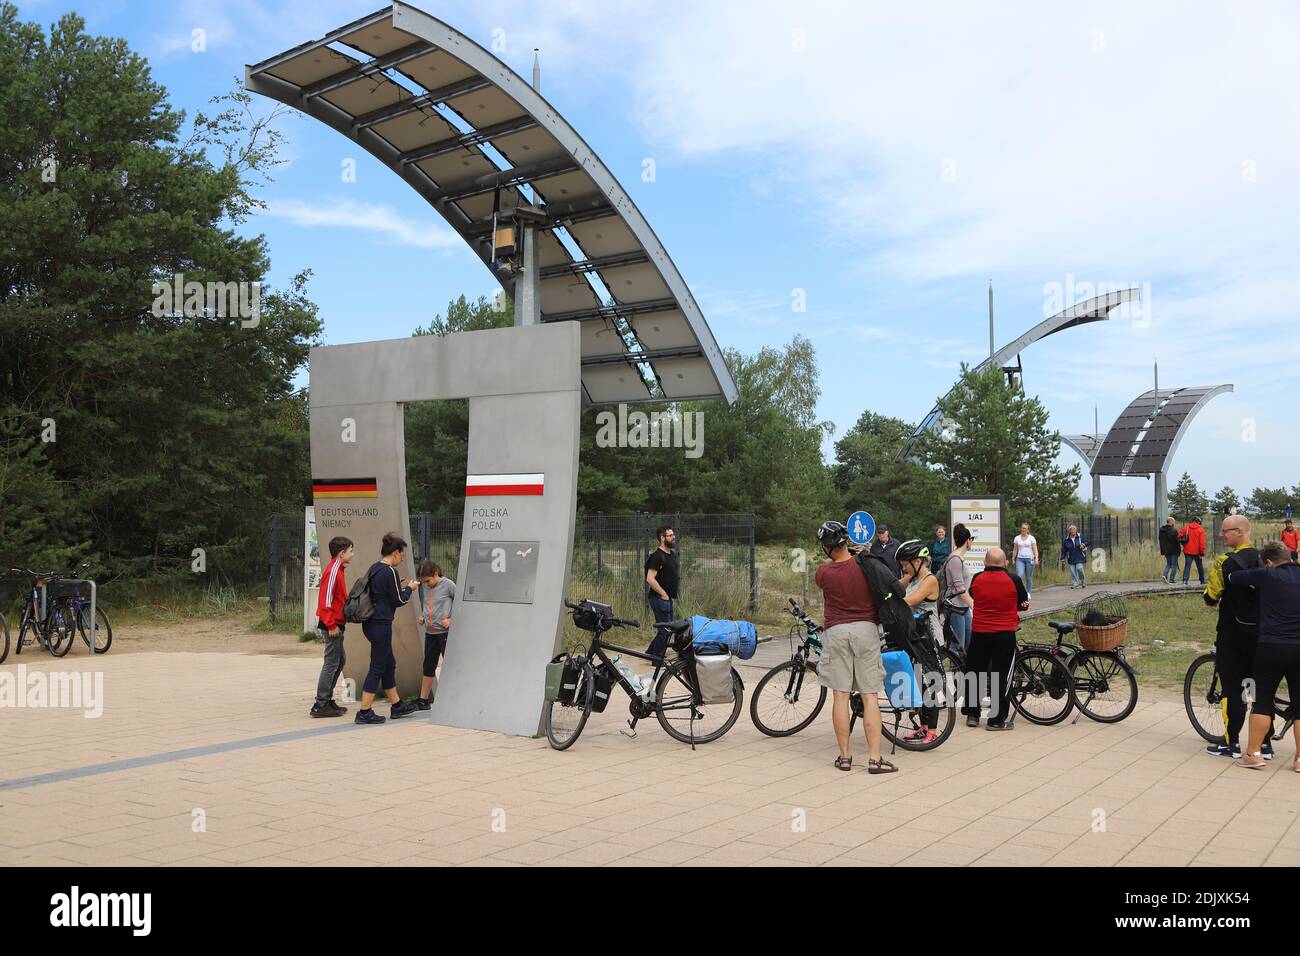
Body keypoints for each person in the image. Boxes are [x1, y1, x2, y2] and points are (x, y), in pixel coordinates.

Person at [814, 521, 896, 774]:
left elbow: (831, 578)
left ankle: (844, 757)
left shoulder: (823, 573)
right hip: (866, 631)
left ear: (827, 548)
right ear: (846, 542)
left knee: (840, 695)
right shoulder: (866, 565)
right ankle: (874, 759)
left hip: (836, 632)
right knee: (870, 695)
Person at [1201, 514, 1266, 757]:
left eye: (1225, 531)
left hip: (1232, 634)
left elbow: (1211, 598)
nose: (1221, 535)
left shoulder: (1224, 562)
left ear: (1240, 532)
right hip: (1260, 634)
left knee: (1231, 686)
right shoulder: (1265, 559)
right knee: (1254, 685)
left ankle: (1232, 743)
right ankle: (1264, 744)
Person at [1232, 543, 1300, 770]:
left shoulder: (1267, 575)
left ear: (1269, 562)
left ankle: (1253, 754)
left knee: (1262, 701)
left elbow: (1234, 577)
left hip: (1271, 646)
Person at [356, 532, 419, 725]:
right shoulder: (390, 571)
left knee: (388, 663)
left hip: (370, 623)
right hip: (381, 624)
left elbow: (381, 593)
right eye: (402, 554)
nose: (403, 558)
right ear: (396, 552)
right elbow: (398, 600)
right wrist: (410, 589)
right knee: (377, 667)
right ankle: (364, 711)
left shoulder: (375, 568)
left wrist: (398, 587)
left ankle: (397, 705)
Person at [963, 548, 1029, 731]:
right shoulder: (1014, 579)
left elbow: (974, 596)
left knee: (975, 672)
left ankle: (972, 715)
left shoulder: (977, 578)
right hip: (1004, 634)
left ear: (985, 562)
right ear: (1005, 562)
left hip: (979, 632)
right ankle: (996, 720)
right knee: (1000, 676)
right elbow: (1024, 604)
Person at [897, 539, 941, 746]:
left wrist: (890, 601)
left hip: (929, 636)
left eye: (905, 564)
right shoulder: (911, 576)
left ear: (917, 561)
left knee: (930, 682)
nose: (903, 568)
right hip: (915, 636)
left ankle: (932, 730)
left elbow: (910, 601)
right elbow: (895, 588)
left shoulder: (930, 580)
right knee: (918, 682)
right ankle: (922, 728)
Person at [310, 536, 353, 718]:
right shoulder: (333, 570)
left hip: (336, 622)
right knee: (331, 663)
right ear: (341, 553)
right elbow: (325, 601)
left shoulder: (338, 569)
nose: (352, 554)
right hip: (332, 624)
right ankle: (321, 704)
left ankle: (326, 700)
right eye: (350, 551)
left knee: (340, 660)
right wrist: (331, 625)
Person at [415, 560, 456, 710]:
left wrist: (451, 619)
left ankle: (453, 698)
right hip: (430, 632)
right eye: (423, 582)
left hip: (445, 632)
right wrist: (423, 616)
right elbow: (428, 604)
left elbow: (460, 603)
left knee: (450, 665)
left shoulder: (448, 585)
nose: (426, 584)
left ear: (436, 573)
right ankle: (423, 700)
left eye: (428, 581)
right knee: (428, 666)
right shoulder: (426, 587)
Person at [644, 526, 679, 657]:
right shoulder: (657, 557)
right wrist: (663, 594)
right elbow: (650, 579)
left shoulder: (671, 554)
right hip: (659, 599)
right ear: (662, 538)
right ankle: (656, 658)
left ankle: (650, 653)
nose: (673, 537)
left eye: (673, 534)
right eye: (670, 535)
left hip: (667, 599)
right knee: (665, 630)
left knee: (666, 629)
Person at [942, 524, 975, 653]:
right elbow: (960, 588)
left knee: (968, 643)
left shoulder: (959, 558)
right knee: (957, 645)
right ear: (967, 540)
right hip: (955, 608)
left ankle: (966, 665)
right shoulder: (955, 559)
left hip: (963, 607)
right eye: (972, 539)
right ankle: (955, 665)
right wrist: (973, 606)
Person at [1179, 515, 1207, 586]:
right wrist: (1202, 552)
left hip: (1187, 551)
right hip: (1197, 552)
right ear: (1199, 522)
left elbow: (1179, 537)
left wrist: (1184, 544)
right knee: (1200, 566)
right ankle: (1202, 581)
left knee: (1187, 566)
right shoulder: (1201, 530)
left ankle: (1185, 581)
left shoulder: (1186, 528)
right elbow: (1202, 543)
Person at [1011, 522, 1039, 595]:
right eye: (1022, 528)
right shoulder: (1017, 538)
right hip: (1020, 559)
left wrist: (1036, 558)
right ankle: (1020, 591)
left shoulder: (1031, 538)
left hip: (1029, 559)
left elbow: (1035, 549)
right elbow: (1015, 549)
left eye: (1025, 528)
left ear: (1027, 530)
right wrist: (1013, 558)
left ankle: (1028, 592)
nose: (1023, 529)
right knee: (1019, 575)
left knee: (1029, 577)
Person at [1059, 524, 1089, 589]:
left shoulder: (1080, 536)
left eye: (1074, 530)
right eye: (1072, 530)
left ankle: (1083, 582)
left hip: (1080, 556)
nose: (1073, 531)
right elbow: (1064, 550)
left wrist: (1083, 544)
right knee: (1073, 572)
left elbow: (1087, 542)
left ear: (1076, 530)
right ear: (1069, 531)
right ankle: (1075, 584)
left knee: (1079, 568)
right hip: (1071, 558)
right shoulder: (1066, 540)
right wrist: (1062, 558)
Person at [1158, 516, 1181, 584]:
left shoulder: (1161, 530)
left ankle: (1164, 576)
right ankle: (1172, 579)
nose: (1174, 523)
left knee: (1168, 564)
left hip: (1166, 550)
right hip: (1174, 550)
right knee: (1174, 565)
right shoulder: (1174, 531)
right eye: (1174, 521)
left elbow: (1160, 539)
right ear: (1171, 522)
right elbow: (1177, 540)